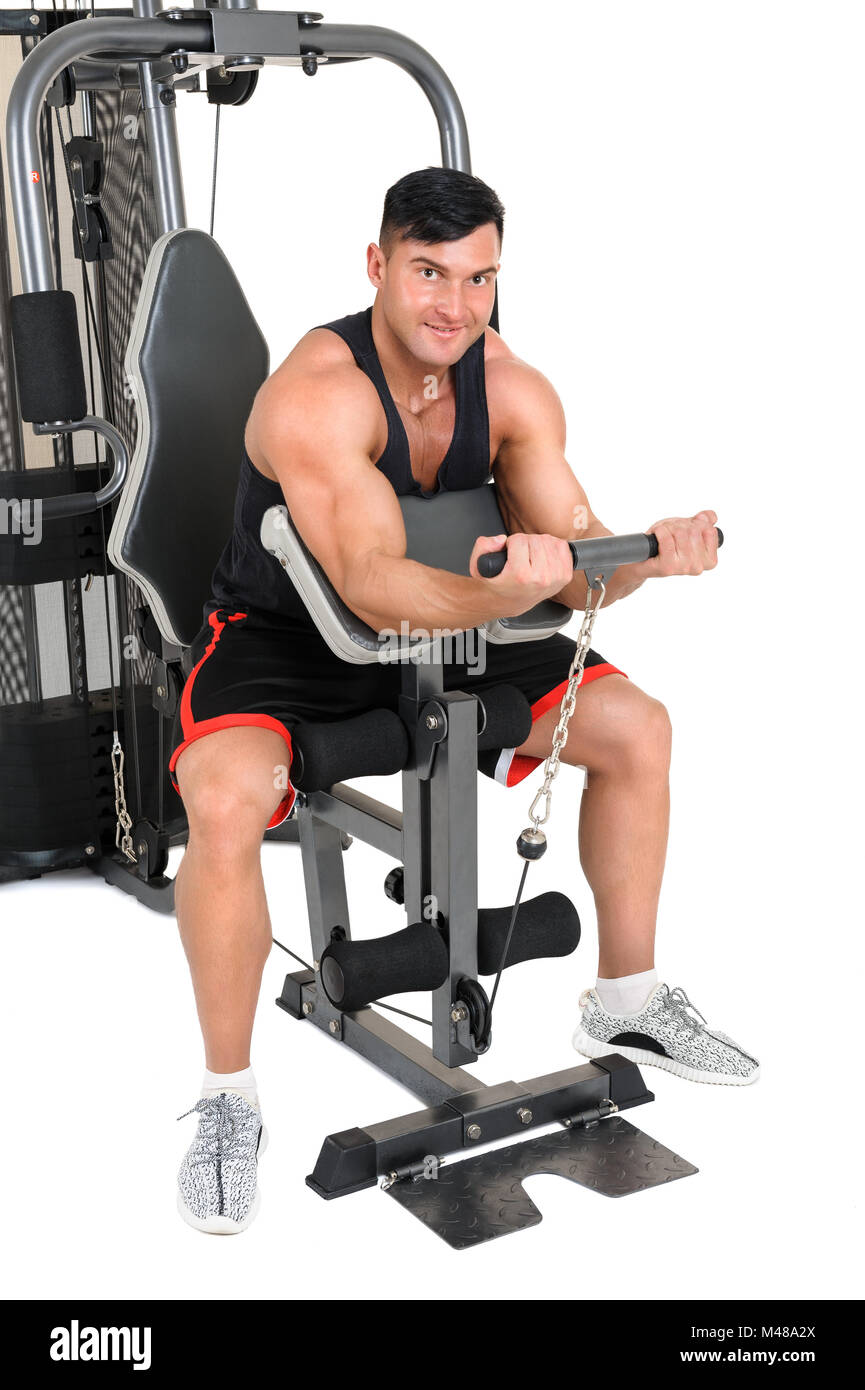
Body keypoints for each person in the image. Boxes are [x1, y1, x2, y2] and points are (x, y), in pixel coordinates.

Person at [168, 167, 758, 1235]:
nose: (453, 305)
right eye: (428, 273)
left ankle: (625, 1004)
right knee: (221, 799)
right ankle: (225, 1101)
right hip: (292, 633)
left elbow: (579, 573)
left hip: (460, 626)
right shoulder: (318, 393)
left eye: (478, 278)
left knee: (636, 730)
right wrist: (511, 585)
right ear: (377, 266)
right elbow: (367, 583)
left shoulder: (515, 391)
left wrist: (644, 559)